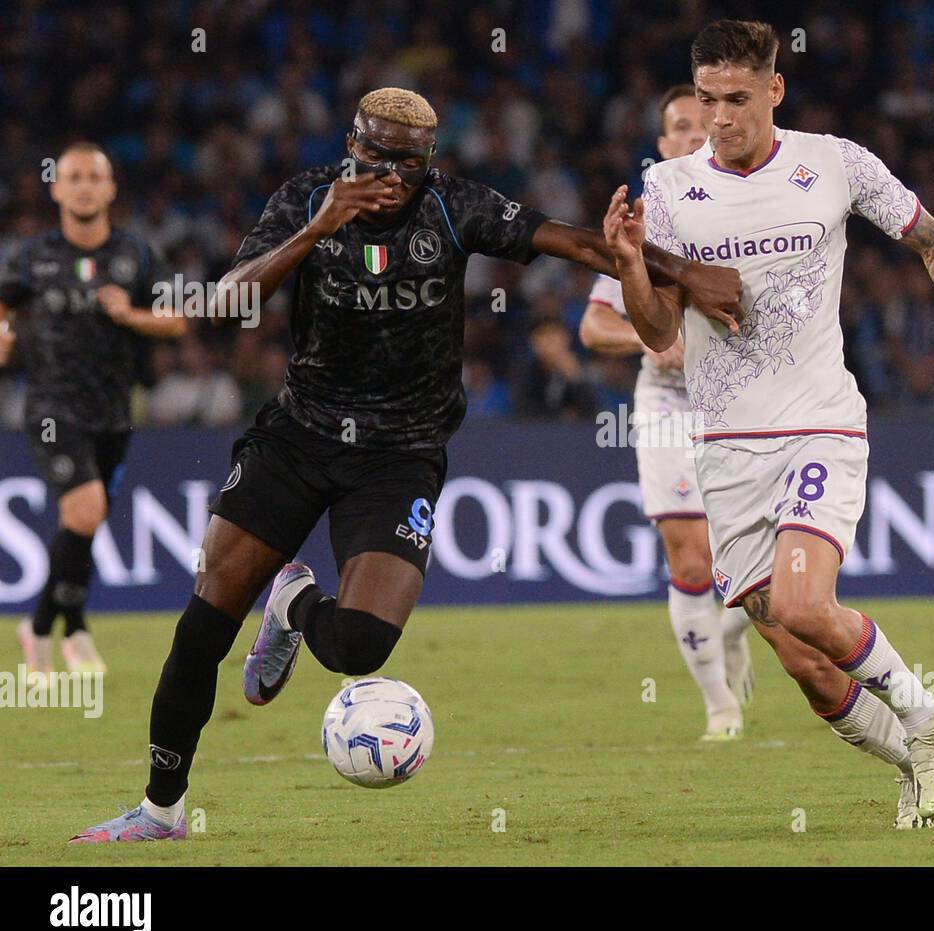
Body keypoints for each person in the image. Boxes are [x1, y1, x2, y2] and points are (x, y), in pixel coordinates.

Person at [71, 87, 741, 843]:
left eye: (404, 161)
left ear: (430, 162)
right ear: (351, 143)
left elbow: (583, 243)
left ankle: (291, 604)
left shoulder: (454, 206)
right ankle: (161, 811)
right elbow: (227, 305)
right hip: (298, 435)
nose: (385, 172)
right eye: (372, 153)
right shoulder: (305, 199)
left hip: (401, 453)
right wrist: (317, 229)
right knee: (203, 624)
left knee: (358, 647)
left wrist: (682, 274)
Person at [604, 21, 934, 827]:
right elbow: (657, 334)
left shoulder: (832, 162)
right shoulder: (670, 190)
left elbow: (931, 238)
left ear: (773, 90)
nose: (720, 118)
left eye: (736, 99)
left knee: (800, 605)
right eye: (708, 100)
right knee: (798, 655)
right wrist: (629, 264)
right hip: (723, 446)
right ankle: (912, 760)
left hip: (818, 424)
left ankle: (926, 712)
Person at [580, 84, 754, 741]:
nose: (689, 136)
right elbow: (595, 327)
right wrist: (654, 340)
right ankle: (720, 706)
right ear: (661, 146)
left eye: (700, 125)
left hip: (746, 404)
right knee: (690, 563)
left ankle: (732, 626)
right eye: (677, 127)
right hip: (667, 408)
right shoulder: (642, 226)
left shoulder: (751, 210)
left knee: (761, 568)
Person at [0, 142, 184, 677]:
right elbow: (5, 304)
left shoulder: (137, 254)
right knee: (84, 511)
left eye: (93, 177)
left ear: (109, 189)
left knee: (87, 520)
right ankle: (43, 629)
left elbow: (175, 320)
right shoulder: (35, 256)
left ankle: (69, 627)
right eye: (73, 176)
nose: (82, 185)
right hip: (52, 407)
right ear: (57, 187)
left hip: (114, 409)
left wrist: (130, 314)